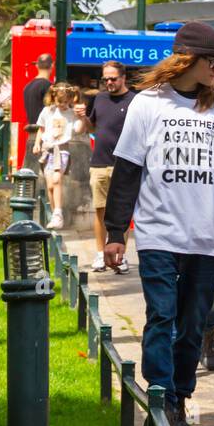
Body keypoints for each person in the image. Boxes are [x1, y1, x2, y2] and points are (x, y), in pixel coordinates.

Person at [102, 22, 214, 426]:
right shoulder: (148, 104)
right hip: (157, 233)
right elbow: (128, 170)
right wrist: (116, 233)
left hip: (205, 236)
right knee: (161, 316)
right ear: (190, 60)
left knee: (192, 324)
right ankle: (162, 398)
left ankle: (181, 395)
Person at [85, 61, 136, 274]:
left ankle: (119, 256)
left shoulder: (135, 100)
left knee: (122, 212)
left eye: (113, 78)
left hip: (123, 165)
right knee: (99, 210)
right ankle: (99, 253)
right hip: (99, 162)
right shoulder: (99, 98)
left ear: (123, 78)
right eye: (105, 79)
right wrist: (83, 119)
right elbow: (92, 125)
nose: (109, 82)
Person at [34, 84, 75, 229]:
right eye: (60, 101)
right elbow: (41, 129)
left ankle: (58, 213)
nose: (63, 105)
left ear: (70, 99)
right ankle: (54, 215)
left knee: (57, 180)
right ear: (53, 98)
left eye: (66, 101)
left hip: (62, 150)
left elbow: (79, 126)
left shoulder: (71, 113)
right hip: (47, 149)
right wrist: (36, 144)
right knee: (50, 185)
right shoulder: (47, 111)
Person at [22, 53, 52, 170]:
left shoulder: (27, 87)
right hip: (43, 139)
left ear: (36, 66)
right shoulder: (48, 86)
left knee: (30, 176)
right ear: (52, 66)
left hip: (31, 138)